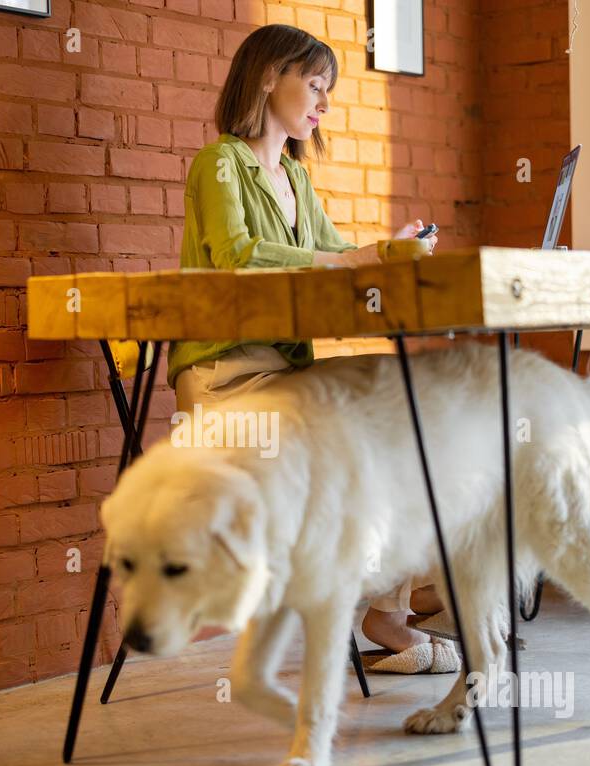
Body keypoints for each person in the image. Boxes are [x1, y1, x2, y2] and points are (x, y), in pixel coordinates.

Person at [165, 23, 456, 671]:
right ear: (269, 76)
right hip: (224, 374)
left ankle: (392, 607)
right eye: (315, 84)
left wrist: (391, 249)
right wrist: (350, 257)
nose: (324, 101)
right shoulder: (219, 164)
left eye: (329, 88)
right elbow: (237, 256)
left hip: (286, 372)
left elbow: (337, 257)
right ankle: (396, 603)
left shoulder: (296, 180)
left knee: (404, 406)